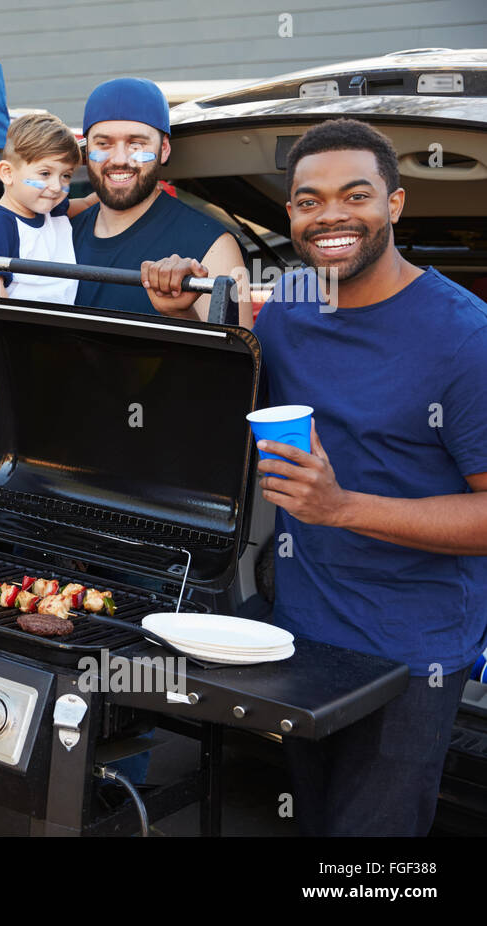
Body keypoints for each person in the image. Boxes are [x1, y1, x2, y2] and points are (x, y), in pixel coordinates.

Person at [246, 119, 484, 835]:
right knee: (315, 825)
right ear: (290, 214)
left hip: (413, 655)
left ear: (396, 204)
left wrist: (342, 507)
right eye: (309, 200)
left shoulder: (465, 336)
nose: (331, 216)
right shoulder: (287, 308)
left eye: (356, 195)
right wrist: (181, 307)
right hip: (304, 632)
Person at [72, 77, 251, 327]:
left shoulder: (215, 246)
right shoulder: (60, 232)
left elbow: (238, 361)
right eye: (103, 144)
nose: (120, 159)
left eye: (137, 144)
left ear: (164, 149)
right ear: (87, 149)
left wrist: (180, 313)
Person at [0, 112, 95, 302]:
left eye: (66, 175)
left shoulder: (51, 210)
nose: (57, 187)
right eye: (45, 173)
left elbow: (88, 203)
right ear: (7, 173)